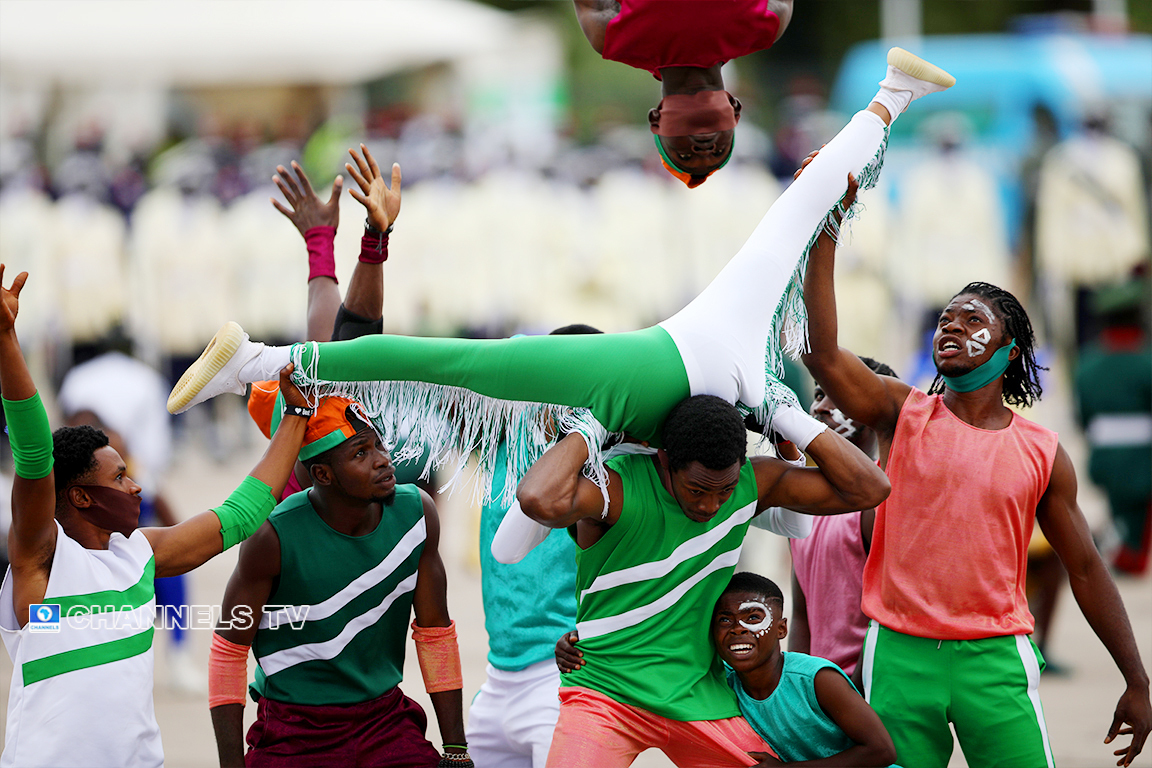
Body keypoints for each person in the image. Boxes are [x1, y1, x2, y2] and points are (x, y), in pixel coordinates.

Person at [167, 48, 955, 509]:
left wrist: (884, 112)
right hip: (624, 371)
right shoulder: (764, 393)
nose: (712, 493)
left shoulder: (762, 388)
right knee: (450, 369)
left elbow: (808, 198)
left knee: (449, 366)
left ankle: (260, 364)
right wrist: (790, 420)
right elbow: (863, 488)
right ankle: (259, 365)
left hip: (628, 365)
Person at [797, 167, 1152, 766]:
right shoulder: (899, 411)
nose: (952, 327)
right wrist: (827, 225)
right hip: (900, 655)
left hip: (997, 656)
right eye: (946, 320)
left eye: (972, 321)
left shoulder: (1042, 450)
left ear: (1011, 350)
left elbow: (1086, 567)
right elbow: (824, 353)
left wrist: (1136, 680)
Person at [0, 266, 310, 768]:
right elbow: (35, 454)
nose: (136, 486)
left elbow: (240, 514)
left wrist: (295, 420)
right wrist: (6, 340)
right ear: (78, 497)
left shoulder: (139, 553)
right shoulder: (42, 559)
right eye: (120, 477)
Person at [516, 392, 889, 767]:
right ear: (665, 460)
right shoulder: (619, 486)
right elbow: (537, 499)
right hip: (603, 691)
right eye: (696, 490)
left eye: (724, 491)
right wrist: (594, 424)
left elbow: (872, 488)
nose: (710, 506)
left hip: (699, 695)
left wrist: (783, 414)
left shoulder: (751, 483)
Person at [208, 396, 472, 768]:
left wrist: (456, 750)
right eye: (361, 453)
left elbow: (435, 634)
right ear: (323, 475)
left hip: (385, 721)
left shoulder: (416, 512)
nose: (382, 459)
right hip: (293, 729)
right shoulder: (271, 537)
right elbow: (228, 653)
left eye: (378, 444)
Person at [559, 571, 899, 766]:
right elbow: (657, 652)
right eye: (725, 620)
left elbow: (882, 750)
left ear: (780, 629)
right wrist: (579, 642)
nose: (738, 629)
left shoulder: (815, 679)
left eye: (753, 617)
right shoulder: (724, 684)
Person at [572, 0, 794, 187]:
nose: (702, 148)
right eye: (718, 152)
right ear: (735, 109)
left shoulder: (610, 33)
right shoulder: (768, 23)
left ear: (656, 119)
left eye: (685, 155)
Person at [789, 356, 895, 681]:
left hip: (866, 695)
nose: (820, 407)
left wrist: (854, 697)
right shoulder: (802, 499)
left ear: (871, 409)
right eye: (819, 394)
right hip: (820, 698)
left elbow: (887, 620)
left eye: (838, 397)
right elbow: (802, 615)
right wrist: (796, 690)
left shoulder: (879, 504)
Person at [1074, 278, 1152, 576]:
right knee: (1136, 523)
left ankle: (1115, 545)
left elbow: (1083, 418)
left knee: (1121, 511)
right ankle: (1123, 549)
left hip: (1104, 457)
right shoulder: (1146, 361)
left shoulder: (1087, 363)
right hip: (1143, 457)